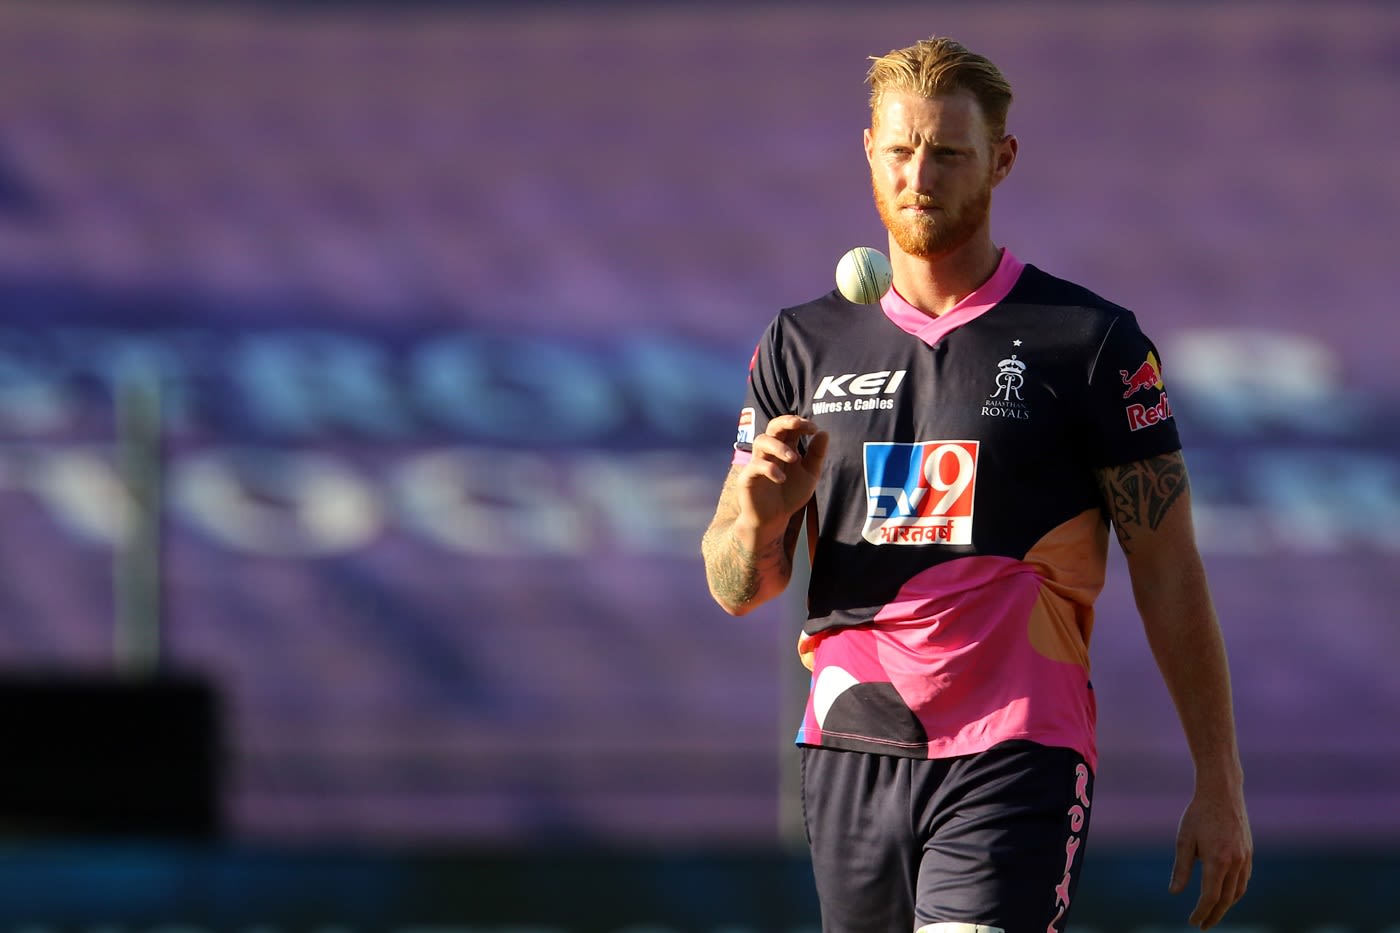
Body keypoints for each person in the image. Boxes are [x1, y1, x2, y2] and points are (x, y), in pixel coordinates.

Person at [700, 35, 1252, 933]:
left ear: (1001, 160)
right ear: (868, 153)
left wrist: (1219, 781)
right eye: (900, 150)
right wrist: (762, 516)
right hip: (850, 743)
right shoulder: (799, 346)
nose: (920, 174)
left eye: (949, 152)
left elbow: (1169, 570)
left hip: (1017, 742)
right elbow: (738, 586)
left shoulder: (1093, 343)